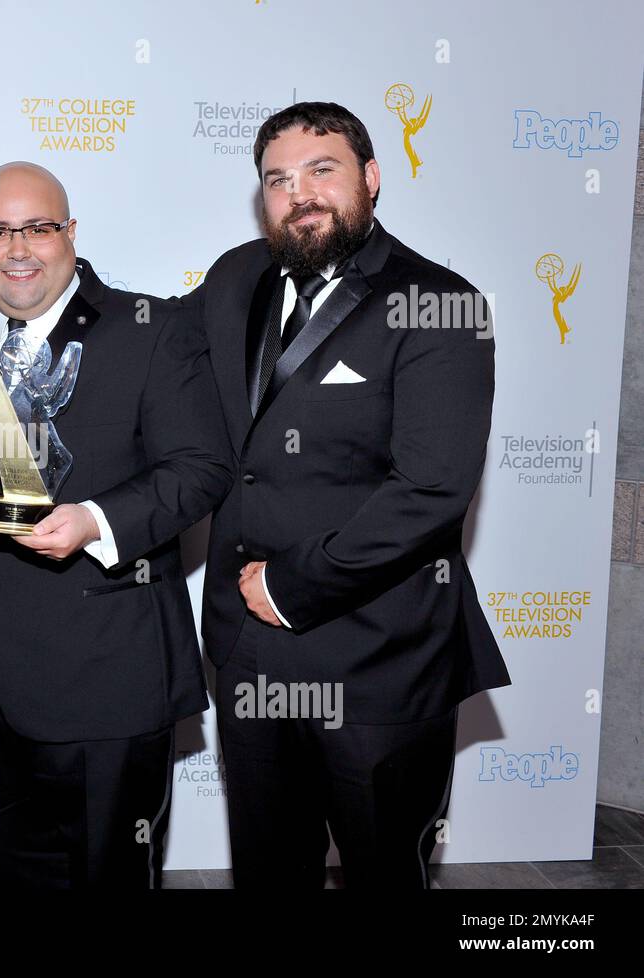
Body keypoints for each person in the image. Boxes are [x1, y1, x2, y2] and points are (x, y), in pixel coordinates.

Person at [187, 101, 511, 888]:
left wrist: (295, 585)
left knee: (382, 870)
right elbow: (152, 337)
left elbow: (432, 489)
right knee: (269, 868)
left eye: (320, 170)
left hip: (380, 658)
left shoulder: (440, 304)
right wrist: (34, 264)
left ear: (370, 177)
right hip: (249, 653)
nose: (298, 194)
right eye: (277, 180)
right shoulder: (237, 277)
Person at [0, 162, 233, 887]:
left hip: (108, 674)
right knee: (19, 872)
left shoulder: (150, 329)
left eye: (39, 228)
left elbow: (201, 468)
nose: (18, 250)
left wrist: (97, 520)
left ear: (71, 234)